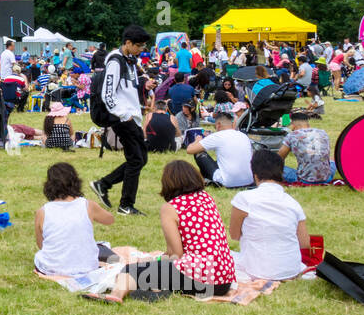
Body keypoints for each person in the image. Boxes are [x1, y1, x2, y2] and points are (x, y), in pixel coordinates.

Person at [108, 161, 236, 302]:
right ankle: (157, 288)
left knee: (130, 270)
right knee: (157, 271)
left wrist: (156, 259)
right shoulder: (207, 198)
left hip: (201, 278)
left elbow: (176, 254)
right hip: (224, 280)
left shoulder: (171, 208)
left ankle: (115, 296)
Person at [90, 24, 151, 216]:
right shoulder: (115, 61)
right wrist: (125, 115)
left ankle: (104, 184)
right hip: (123, 117)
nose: (141, 49)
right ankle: (126, 204)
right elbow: (108, 94)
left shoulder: (129, 60)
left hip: (130, 116)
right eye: (139, 45)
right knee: (136, 160)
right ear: (128, 43)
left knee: (141, 159)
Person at [229, 150, 310, 281]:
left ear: (255, 175)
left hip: (256, 271)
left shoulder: (244, 199)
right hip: (291, 270)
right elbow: (305, 243)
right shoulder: (293, 203)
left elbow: (234, 235)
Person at [33, 162, 124, 278]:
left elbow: (41, 245)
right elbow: (110, 220)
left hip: (52, 267)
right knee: (100, 248)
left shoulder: (42, 212)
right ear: (76, 182)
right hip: (87, 267)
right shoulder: (87, 205)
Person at [186, 110, 254, 188]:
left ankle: (207, 178)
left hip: (228, 182)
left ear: (218, 124)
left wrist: (197, 140)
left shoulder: (218, 136)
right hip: (249, 180)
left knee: (200, 153)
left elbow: (190, 150)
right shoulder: (243, 135)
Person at [277, 111, 335, 184]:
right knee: (332, 160)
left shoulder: (292, 136)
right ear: (308, 123)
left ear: (293, 125)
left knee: (272, 167)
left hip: (305, 180)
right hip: (327, 178)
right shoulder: (323, 133)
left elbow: (279, 158)